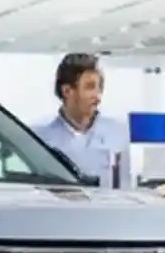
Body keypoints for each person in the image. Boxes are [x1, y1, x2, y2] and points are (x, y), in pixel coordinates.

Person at [34, 53, 132, 188]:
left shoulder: (117, 133)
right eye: (90, 87)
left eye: (99, 88)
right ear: (67, 91)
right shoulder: (41, 138)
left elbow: (125, 187)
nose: (97, 96)